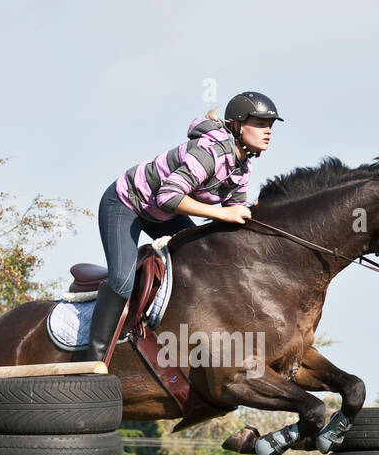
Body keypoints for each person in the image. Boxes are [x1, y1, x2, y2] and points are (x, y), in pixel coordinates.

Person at [85, 90, 283, 363]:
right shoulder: (210, 152)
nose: (268, 132)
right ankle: (92, 360)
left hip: (164, 214)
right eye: (260, 124)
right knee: (122, 280)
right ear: (237, 125)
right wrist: (221, 214)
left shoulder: (242, 167)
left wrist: (259, 215)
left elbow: (234, 215)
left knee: (197, 262)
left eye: (270, 126)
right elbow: (168, 196)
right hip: (126, 204)